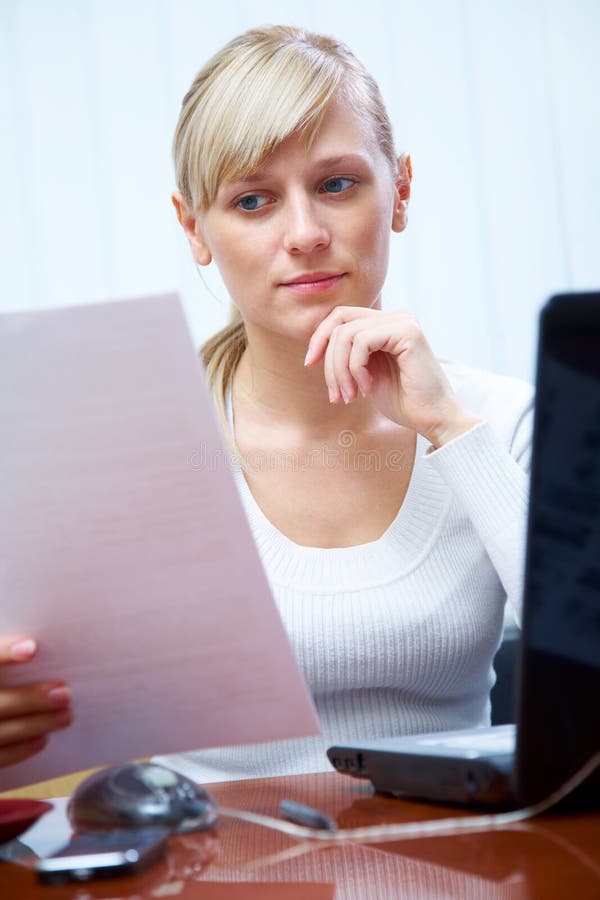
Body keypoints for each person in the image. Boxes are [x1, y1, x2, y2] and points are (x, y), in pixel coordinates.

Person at [0, 25, 532, 780]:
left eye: (337, 185)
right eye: (253, 200)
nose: (306, 234)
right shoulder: (131, 447)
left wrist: (449, 429)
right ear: (195, 228)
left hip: (468, 862)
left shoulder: (500, 423)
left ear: (401, 190)